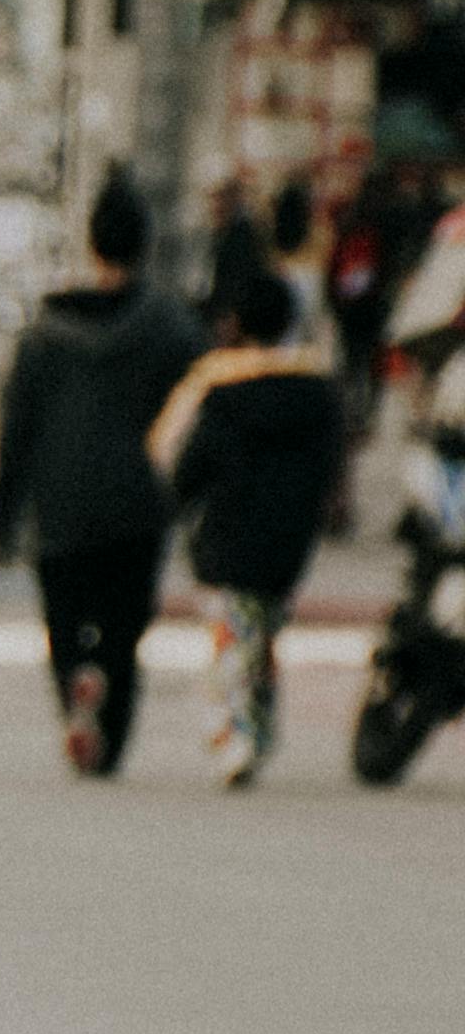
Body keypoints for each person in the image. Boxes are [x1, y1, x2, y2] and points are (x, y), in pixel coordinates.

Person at [0, 168, 200, 776]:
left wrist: (4, 510)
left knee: (63, 619)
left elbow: (17, 428)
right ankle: (106, 723)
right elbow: (199, 412)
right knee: (123, 631)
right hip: (139, 503)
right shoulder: (171, 330)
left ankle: (74, 686)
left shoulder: (43, 334)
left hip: (59, 505)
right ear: (144, 246)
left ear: (91, 244)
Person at [149, 258, 345, 790]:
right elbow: (331, 466)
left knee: (234, 631)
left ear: (237, 321)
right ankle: (256, 723)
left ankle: (235, 730)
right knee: (261, 627)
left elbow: (186, 460)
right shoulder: (317, 390)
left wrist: (175, 503)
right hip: (288, 536)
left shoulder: (220, 387)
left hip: (227, 532)